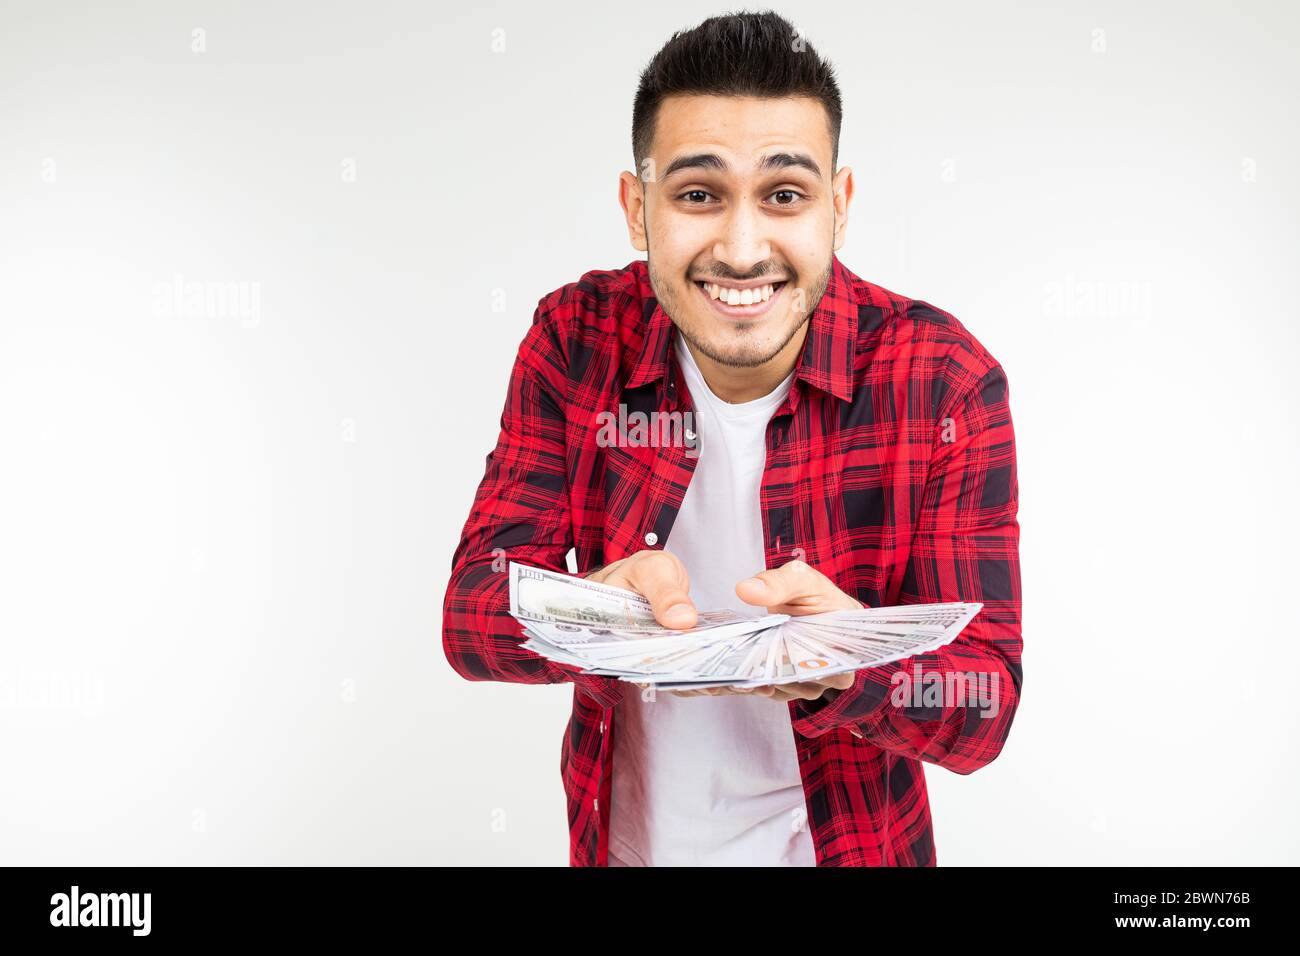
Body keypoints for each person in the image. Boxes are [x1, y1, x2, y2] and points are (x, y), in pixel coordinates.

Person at [442, 10, 1022, 866]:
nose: (742, 249)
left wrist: (848, 660)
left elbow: (986, 704)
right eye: (698, 194)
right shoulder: (575, 339)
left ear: (840, 204)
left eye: (784, 195)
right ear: (638, 209)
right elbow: (470, 616)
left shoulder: (944, 379)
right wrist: (597, 611)